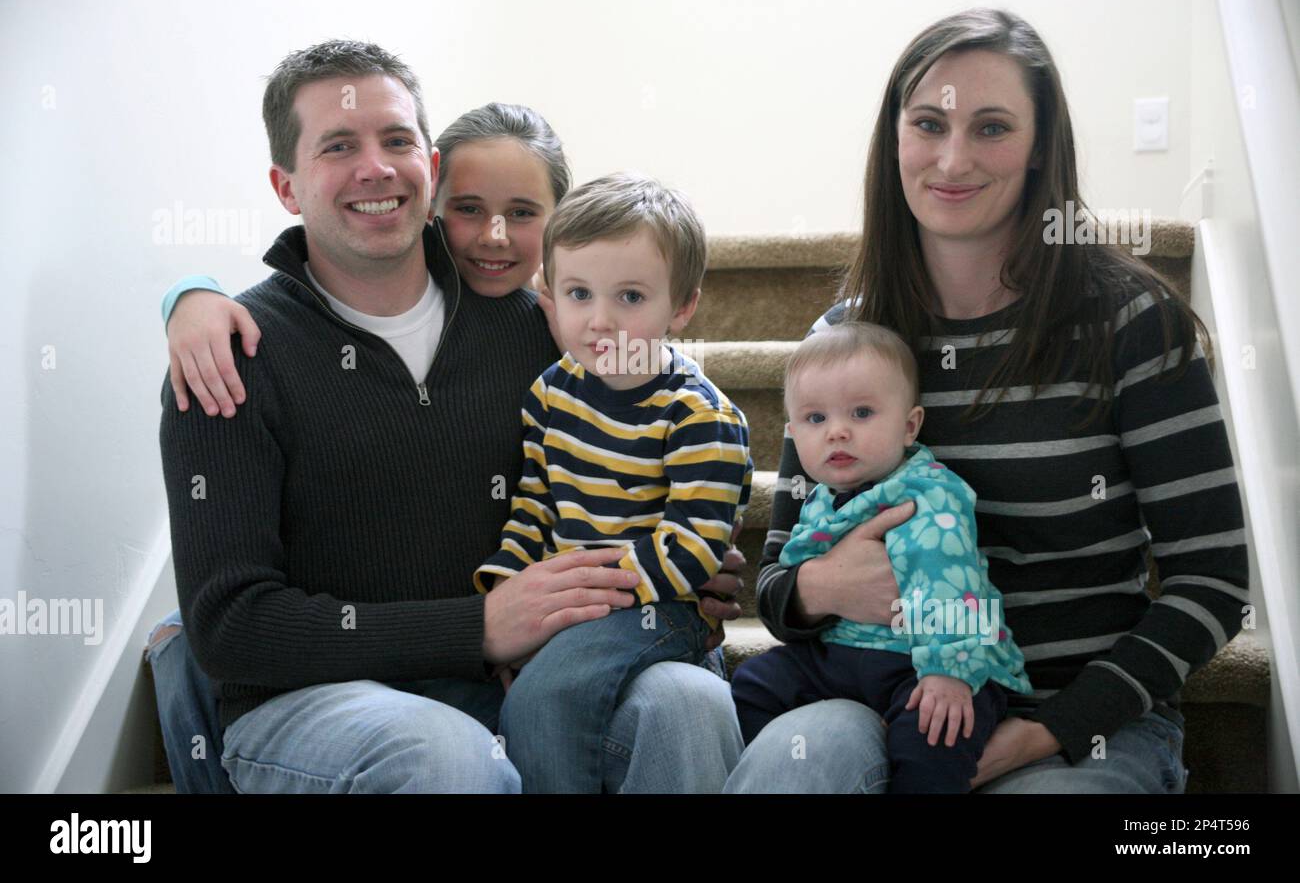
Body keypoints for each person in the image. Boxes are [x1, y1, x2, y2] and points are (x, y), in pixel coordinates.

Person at [155, 40, 744, 794]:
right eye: (339, 146)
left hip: (525, 675)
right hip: (318, 706)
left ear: (429, 167)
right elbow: (230, 625)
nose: (376, 167)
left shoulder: (542, 327)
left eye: (396, 140)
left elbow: (662, 439)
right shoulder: (228, 358)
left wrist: (688, 568)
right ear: (285, 185)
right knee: (448, 758)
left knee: (687, 702)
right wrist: (478, 626)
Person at [723, 8, 1249, 794]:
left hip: (1079, 717)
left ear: (1041, 151)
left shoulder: (1131, 322)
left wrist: (1051, 730)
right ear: (894, 139)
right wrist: (819, 589)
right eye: (928, 123)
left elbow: (1212, 578)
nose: (952, 157)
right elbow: (776, 577)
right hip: (873, 693)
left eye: (992, 128)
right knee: (787, 774)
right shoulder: (845, 341)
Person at [473, 173, 753, 792]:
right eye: (578, 294)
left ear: (681, 306)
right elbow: (534, 505)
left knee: (544, 695)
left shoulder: (699, 416)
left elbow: (695, 547)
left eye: (630, 297)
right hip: (574, 606)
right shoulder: (552, 393)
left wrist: (576, 605)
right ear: (551, 293)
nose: (599, 321)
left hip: (663, 608)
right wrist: (510, 582)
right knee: (533, 699)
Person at [731, 321, 1030, 792]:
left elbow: (951, 581)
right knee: (753, 685)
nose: (838, 433)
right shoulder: (820, 497)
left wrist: (948, 672)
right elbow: (789, 572)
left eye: (862, 413)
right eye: (816, 420)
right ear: (792, 432)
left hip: (924, 664)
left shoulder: (928, 494)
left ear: (909, 425)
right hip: (840, 657)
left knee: (933, 736)